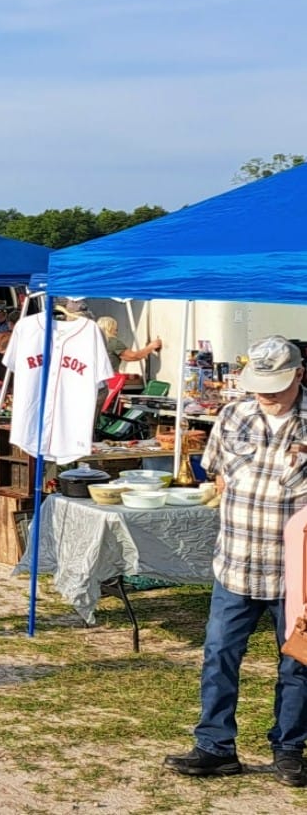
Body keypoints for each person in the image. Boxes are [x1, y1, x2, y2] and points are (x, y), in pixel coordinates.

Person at [164, 335, 307, 787]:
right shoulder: (233, 415)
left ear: (299, 375)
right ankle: (215, 746)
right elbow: (219, 475)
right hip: (237, 562)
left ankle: (289, 748)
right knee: (219, 655)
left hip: (298, 574)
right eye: (259, 384)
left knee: (299, 663)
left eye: (276, 385)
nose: (266, 394)